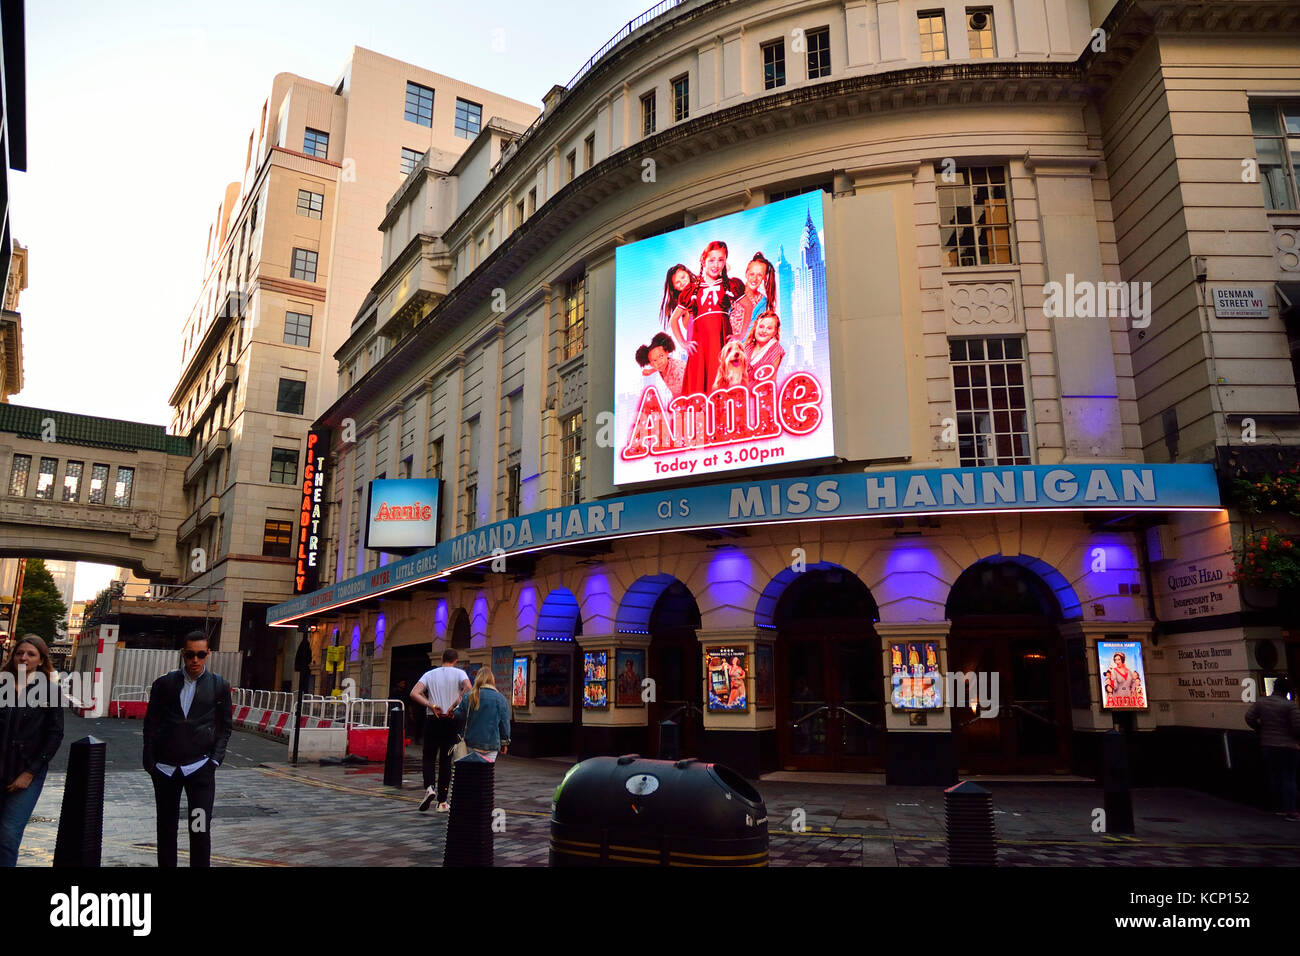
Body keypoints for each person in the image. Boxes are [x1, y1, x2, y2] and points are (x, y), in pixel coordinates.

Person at [142, 631, 232, 868]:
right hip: (165, 769)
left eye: (201, 655)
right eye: (190, 654)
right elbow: (151, 723)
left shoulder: (219, 686)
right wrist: (150, 762)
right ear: (183, 654)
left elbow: (225, 727)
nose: (195, 660)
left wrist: (215, 761)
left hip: (200, 769)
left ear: (208, 654)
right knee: (167, 829)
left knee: (199, 829)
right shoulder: (164, 684)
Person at [0, 635, 64, 867]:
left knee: (8, 835)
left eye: (31, 654)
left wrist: (30, 773)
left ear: (40, 660)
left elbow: (55, 735)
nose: (23, 657)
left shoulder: (50, 691)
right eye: (20, 653)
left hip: (26, 772)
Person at [669, 241, 746, 397]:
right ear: (703, 261)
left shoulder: (731, 285)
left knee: (723, 390)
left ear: (725, 262)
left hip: (722, 343)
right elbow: (673, 320)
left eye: (721, 260)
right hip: (700, 349)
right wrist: (684, 343)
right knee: (699, 395)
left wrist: (741, 334)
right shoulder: (691, 290)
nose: (716, 264)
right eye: (711, 260)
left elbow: (748, 306)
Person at [410, 648, 470, 812]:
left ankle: (429, 788)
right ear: (456, 660)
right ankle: (442, 802)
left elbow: (414, 693)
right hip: (451, 720)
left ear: (442, 659)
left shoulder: (430, 674)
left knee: (428, 756)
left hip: (432, 718)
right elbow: (468, 688)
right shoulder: (459, 673)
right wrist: (456, 702)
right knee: (446, 759)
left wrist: (430, 704)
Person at [1245, 677, 1300, 821]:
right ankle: (1291, 810)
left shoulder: (1262, 702)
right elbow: (1297, 727)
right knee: (1289, 777)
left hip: (1268, 744)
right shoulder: (1290, 706)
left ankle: (1279, 808)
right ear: (1288, 689)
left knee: (1275, 776)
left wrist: (1260, 729)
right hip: (1288, 746)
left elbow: (1249, 717)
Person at [453, 668, 511, 764]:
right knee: (486, 773)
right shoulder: (500, 698)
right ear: (492, 680)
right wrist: (504, 742)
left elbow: (458, 715)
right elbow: (504, 723)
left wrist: (456, 705)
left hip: (471, 742)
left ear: (477, 679)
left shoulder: (469, 696)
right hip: (492, 744)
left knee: (471, 772)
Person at [728, 252, 776, 343]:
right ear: (746, 274)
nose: (754, 279)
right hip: (722, 347)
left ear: (765, 277)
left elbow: (753, 333)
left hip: (741, 351)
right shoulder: (734, 291)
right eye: (752, 274)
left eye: (759, 275)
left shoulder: (762, 304)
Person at [744, 311, 785, 387]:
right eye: (761, 327)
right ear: (755, 327)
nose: (764, 331)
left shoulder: (776, 350)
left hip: (761, 394)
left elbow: (770, 380)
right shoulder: (748, 347)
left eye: (769, 328)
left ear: (775, 332)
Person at [658, 263, 695, 330]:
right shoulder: (682, 305)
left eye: (683, 277)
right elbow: (673, 321)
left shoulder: (701, 287)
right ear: (674, 287)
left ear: (688, 273)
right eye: (677, 282)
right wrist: (682, 341)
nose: (682, 282)